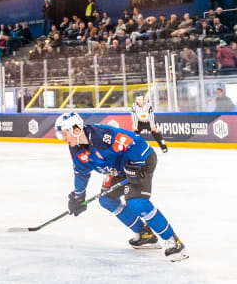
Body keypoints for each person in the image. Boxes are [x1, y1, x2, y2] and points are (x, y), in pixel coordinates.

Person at [55, 112, 187, 261]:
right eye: (60, 135)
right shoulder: (76, 148)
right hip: (120, 170)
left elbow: (133, 141)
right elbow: (81, 173)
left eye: (64, 134)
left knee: (137, 203)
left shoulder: (101, 136)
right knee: (106, 199)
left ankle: (173, 241)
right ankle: (145, 235)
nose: (63, 138)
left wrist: (135, 164)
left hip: (141, 161)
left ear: (76, 130)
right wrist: (78, 195)